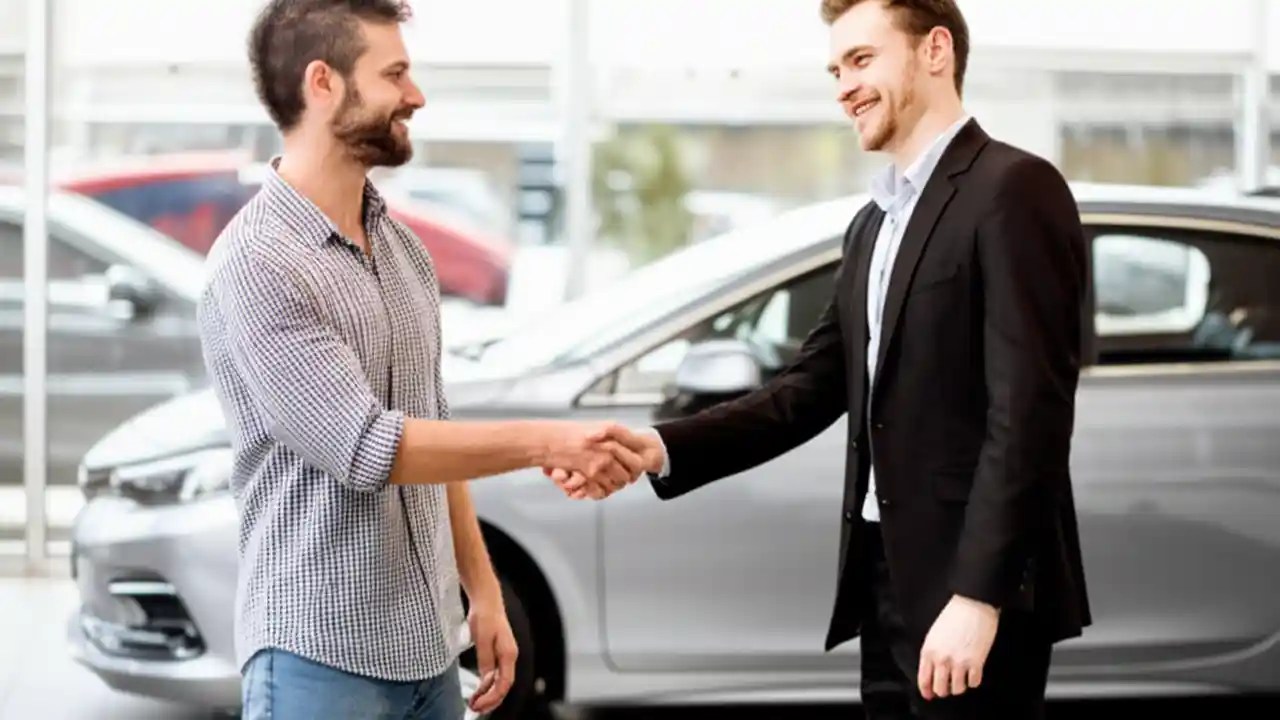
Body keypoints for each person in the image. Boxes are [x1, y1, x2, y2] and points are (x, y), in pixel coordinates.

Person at [550, 0, 1092, 717]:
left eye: (862, 60)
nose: (843, 85)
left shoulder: (1014, 190)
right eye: (836, 69)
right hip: (886, 578)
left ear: (935, 51)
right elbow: (806, 390)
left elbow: (1029, 415)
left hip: (970, 588)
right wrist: (655, 447)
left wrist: (978, 596)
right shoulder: (873, 224)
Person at [197, 2, 641, 718]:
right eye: (395, 73)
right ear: (324, 84)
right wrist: (550, 440)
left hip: (429, 652)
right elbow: (374, 448)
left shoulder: (402, 249)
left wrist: (483, 591)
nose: (416, 95)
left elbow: (432, 427)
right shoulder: (258, 265)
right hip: (317, 658)